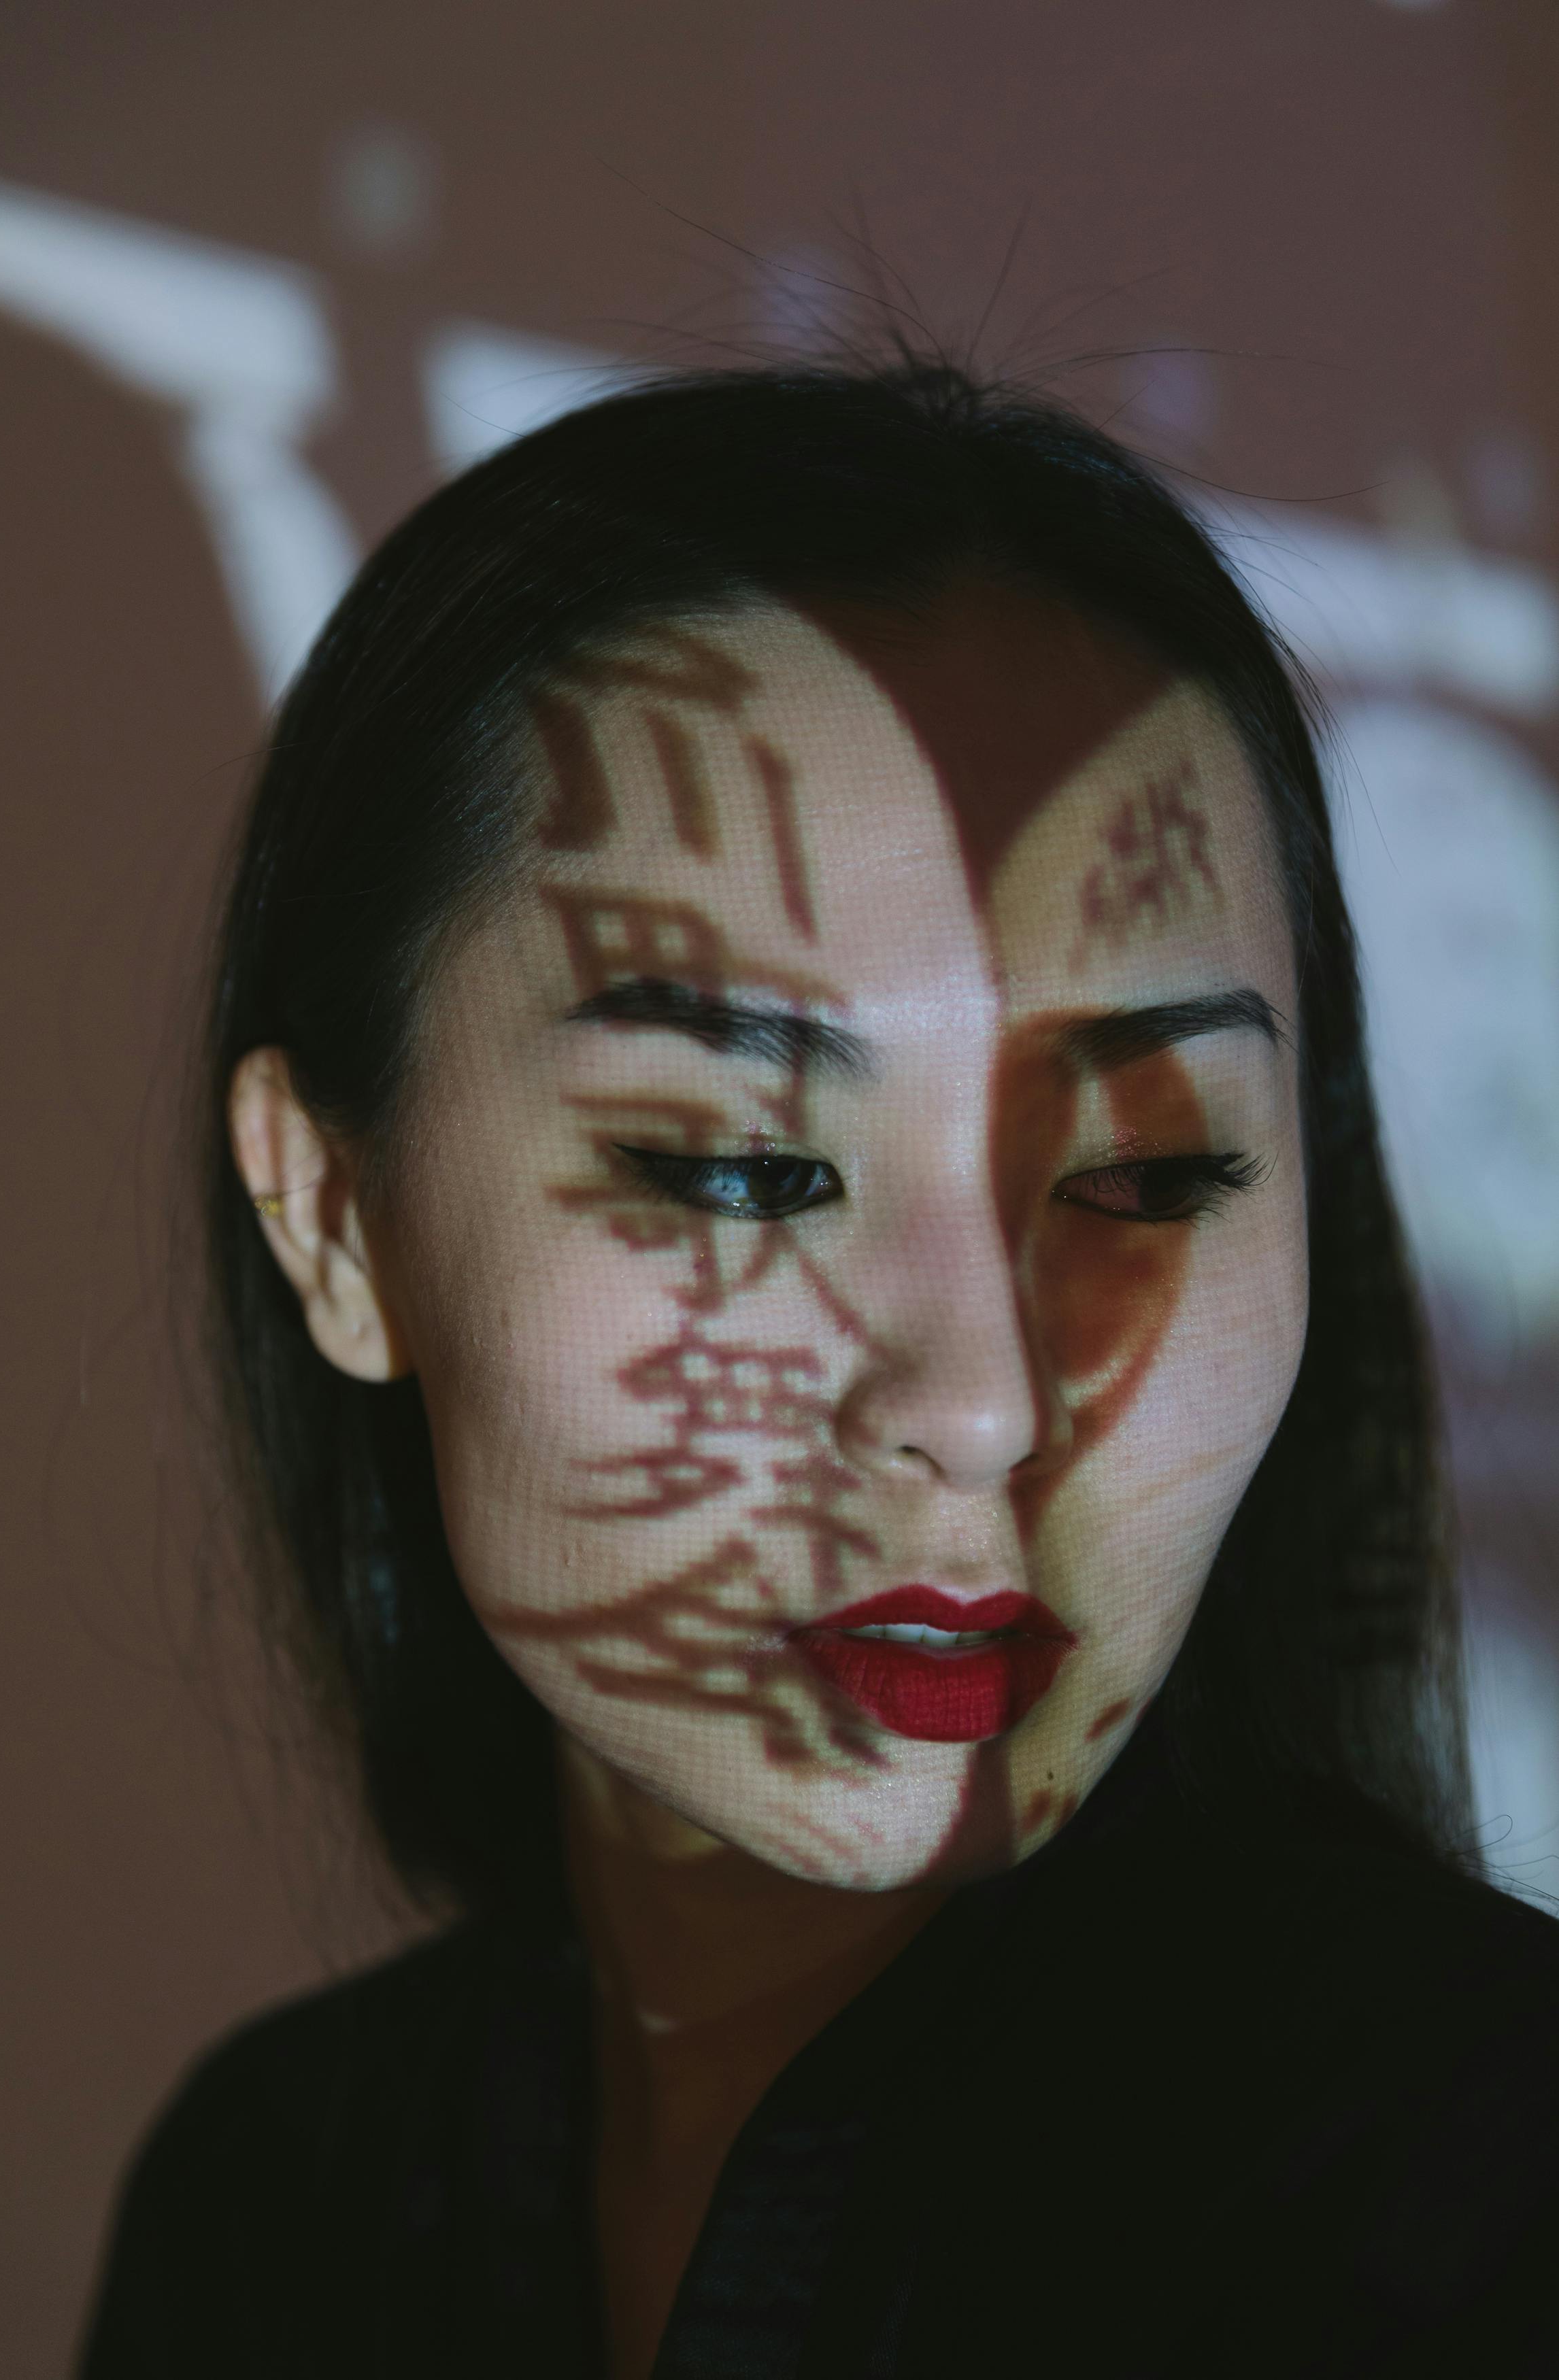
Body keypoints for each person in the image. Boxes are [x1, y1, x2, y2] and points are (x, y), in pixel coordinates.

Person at [80, 359, 1559, 2379]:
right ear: (337, 1217)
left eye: (1145, 1173)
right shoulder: (276, 2205)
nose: (984, 1400)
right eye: (743, 1167)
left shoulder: (1481, 2217)